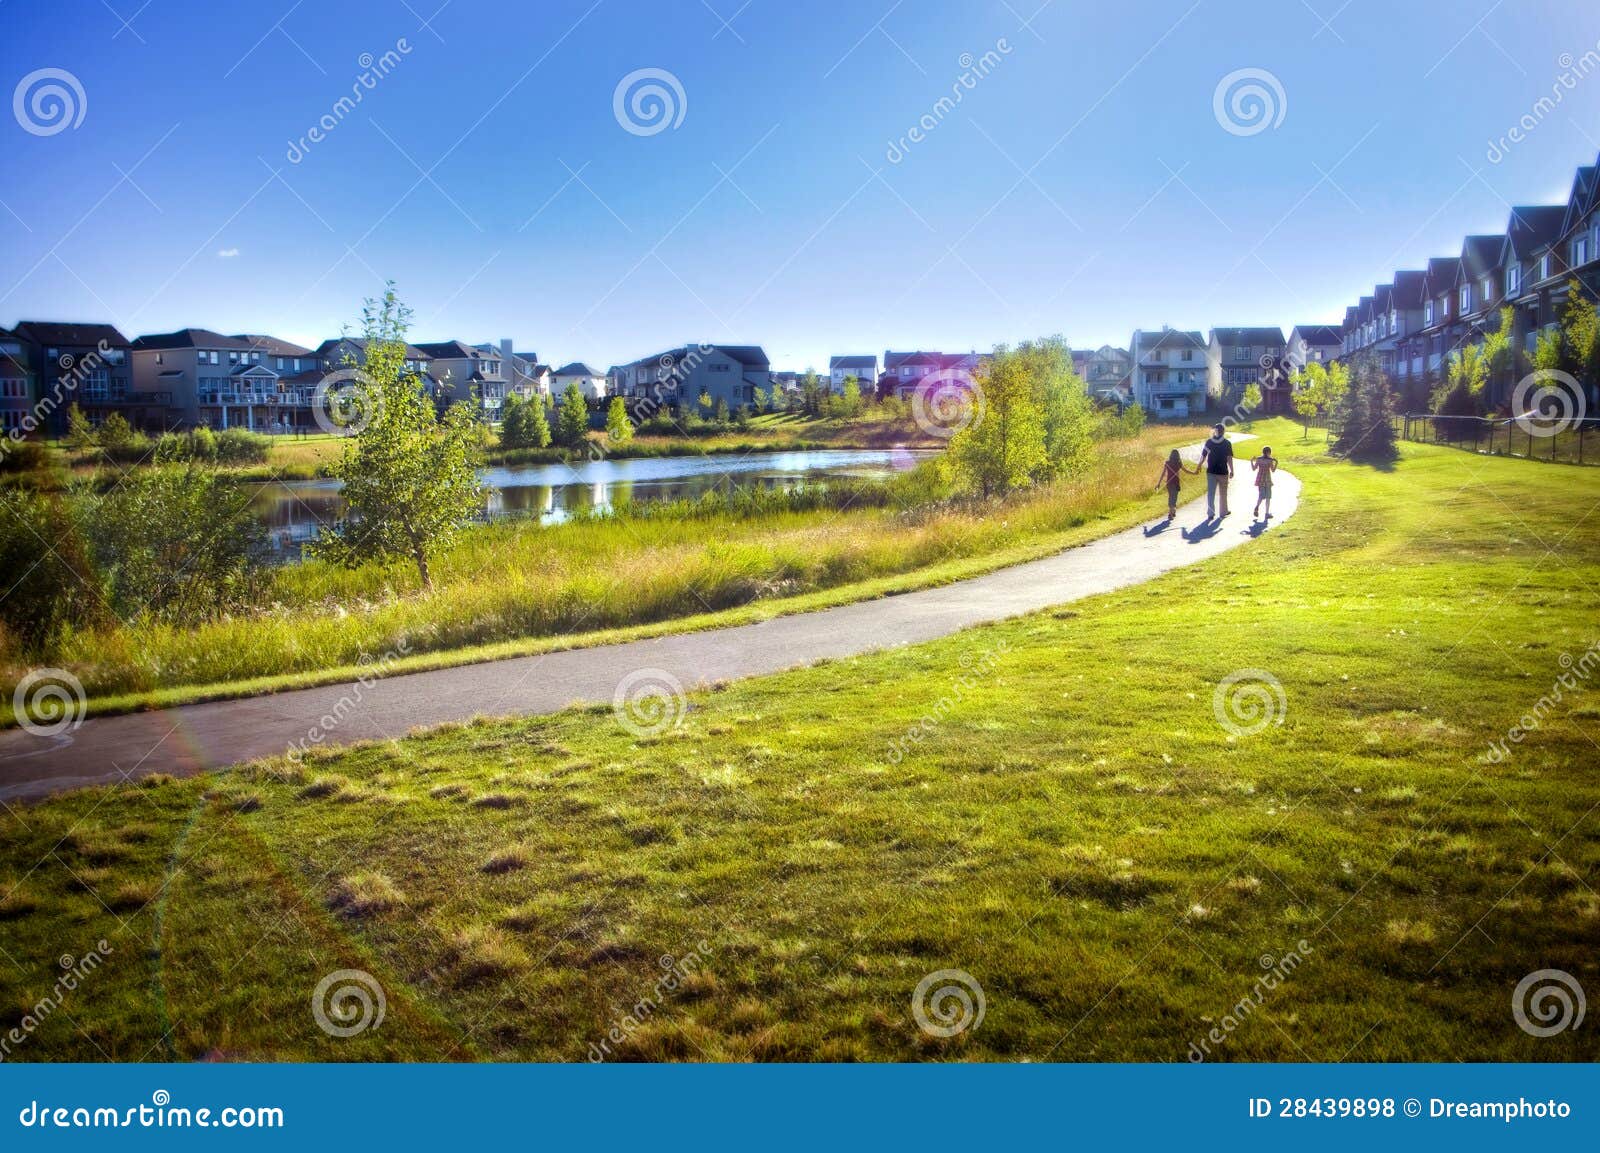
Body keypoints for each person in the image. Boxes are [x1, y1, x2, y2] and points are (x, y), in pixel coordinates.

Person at [1197, 424, 1234, 518]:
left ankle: (1211, 513)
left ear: (1215, 431)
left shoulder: (1209, 442)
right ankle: (1223, 512)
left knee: (1211, 493)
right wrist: (1232, 470)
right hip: (1223, 471)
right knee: (1223, 493)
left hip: (1211, 471)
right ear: (1223, 431)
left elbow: (1203, 455)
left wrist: (1199, 465)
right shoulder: (1227, 443)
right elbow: (1229, 458)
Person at [1154, 449, 1197, 520]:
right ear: (1178, 456)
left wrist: (1158, 483)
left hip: (1169, 483)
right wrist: (1194, 473)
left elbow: (1163, 474)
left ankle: (1172, 511)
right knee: (1174, 498)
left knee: (1171, 497)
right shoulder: (1179, 463)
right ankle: (1171, 513)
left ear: (1171, 455)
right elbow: (1186, 471)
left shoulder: (1167, 463)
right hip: (1176, 483)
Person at [1251, 446, 1278, 520]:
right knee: (1268, 497)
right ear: (1269, 452)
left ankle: (1257, 506)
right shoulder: (1270, 460)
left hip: (1260, 480)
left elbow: (1254, 469)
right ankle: (1267, 513)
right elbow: (1273, 470)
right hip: (1267, 480)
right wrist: (1276, 463)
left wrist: (1251, 461)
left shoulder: (1259, 459)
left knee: (1261, 496)